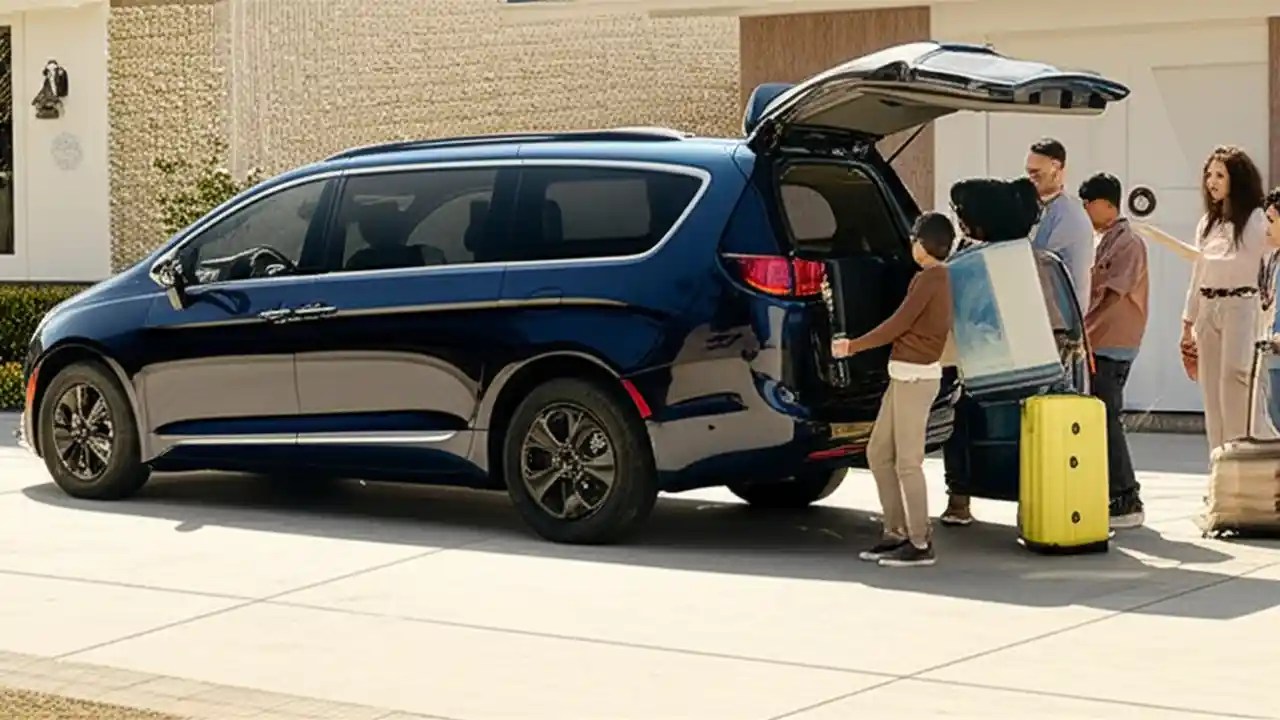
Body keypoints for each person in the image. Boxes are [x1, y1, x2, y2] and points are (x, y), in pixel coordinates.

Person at [832, 212, 955, 567]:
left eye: (915, 239)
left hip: (915, 379)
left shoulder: (930, 279)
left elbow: (899, 324)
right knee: (878, 452)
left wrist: (852, 346)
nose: (912, 245)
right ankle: (895, 531)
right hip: (903, 376)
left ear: (924, 243)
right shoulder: (933, 278)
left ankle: (919, 541)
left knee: (907, 462)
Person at [939, 177, 1043, 527]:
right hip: (1035, 367)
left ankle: (959, 501)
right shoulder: (1028, 255)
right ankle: (1033, 505)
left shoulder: (964, 265)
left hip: (979, 368)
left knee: (962, 431)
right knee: (1028, 442)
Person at [1181, 146, 1272, 453]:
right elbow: (1198, 274)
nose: (1212, 181)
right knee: (1211, 389)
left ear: (1238, 179)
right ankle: (1219, 463)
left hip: (1241, 305)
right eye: (1209, 175)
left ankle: (1244, 456)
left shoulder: (1257, 220)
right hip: (1209, 307)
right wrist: (1187, 321)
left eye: (1220, 175)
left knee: (1236, 382)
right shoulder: (1208, 222)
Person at [1079, 172, 1149, 528]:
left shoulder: (1128, 243)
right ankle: (1112, 495)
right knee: (1101, 419)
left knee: (1108, 419)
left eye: (1088, 204)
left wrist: (1085, 330)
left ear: (1107, 204)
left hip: (1112, 343)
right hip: (1099, 341)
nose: (1085, 211)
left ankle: (1127, 498)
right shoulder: (1103, 240)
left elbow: (1112, 295)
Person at [1026, 138, 1096, 313]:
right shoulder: (1040, 207)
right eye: (1029, 173)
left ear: (1056, 170)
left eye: (1037, 174)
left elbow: (1037, 260)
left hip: (1061, 320)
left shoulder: (1069, 214)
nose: (1031, 180)